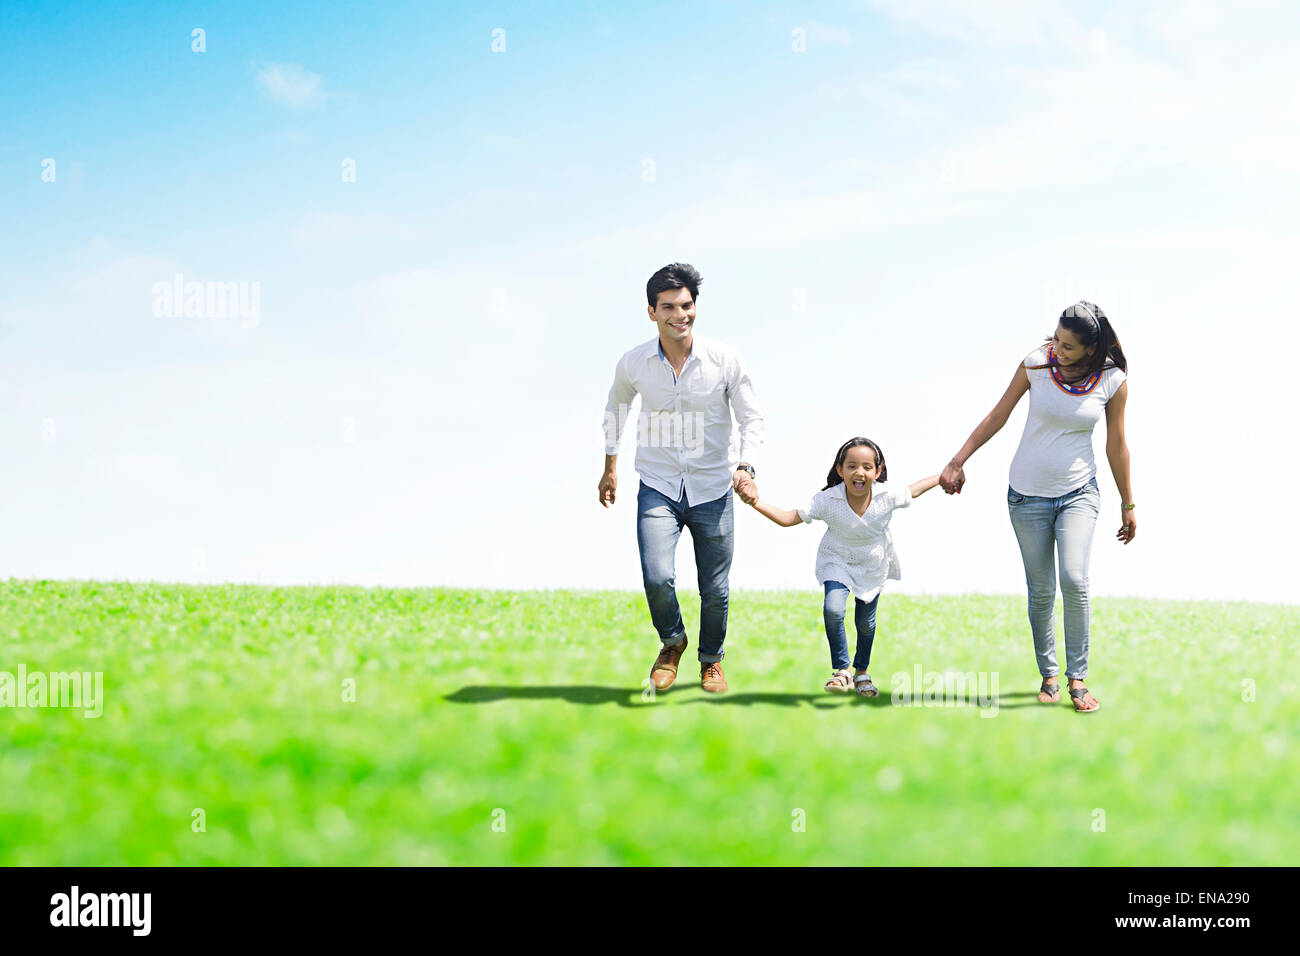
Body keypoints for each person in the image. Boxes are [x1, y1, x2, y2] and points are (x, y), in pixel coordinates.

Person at [939, 301, 1134, 713]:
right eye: (1057, 340)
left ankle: (1077, 679)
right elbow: (998, 415)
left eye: (1068, 347)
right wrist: (959, 460)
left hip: (1080, 492)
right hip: (1026, 495)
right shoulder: (1036, 365)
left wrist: (1127, 503)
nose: (1058, 351)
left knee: (1075, 579)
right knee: (1041, 589)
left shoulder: (1112, 381)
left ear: (1090, 350)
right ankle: (1048, 673)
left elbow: (1116, 445)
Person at [599, 263, 764, 694]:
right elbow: (616, 410)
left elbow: (752, 418)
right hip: (658, 483)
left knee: (715, 588)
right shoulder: (634, 362)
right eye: (668, 306)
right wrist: (610, 467)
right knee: (657, 576)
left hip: (713, 487)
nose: (680, 315)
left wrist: (746, 467)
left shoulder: (725, 359)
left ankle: (711, 659)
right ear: (651, 311)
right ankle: (672, 643)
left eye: (687, 305)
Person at [748, 437, 939, 697]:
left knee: (866, 624)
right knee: (833, 609)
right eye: (852, 466)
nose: (859, 472)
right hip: (836, 562)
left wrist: (945, 473)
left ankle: (862, 672)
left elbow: (914, 490)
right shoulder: (827, 500)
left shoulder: (887, 495)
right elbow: (788, 518)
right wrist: (754, 502)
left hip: (872, 565)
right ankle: (842, 671)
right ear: (840, 470)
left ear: (877, 472)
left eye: (867, 467)